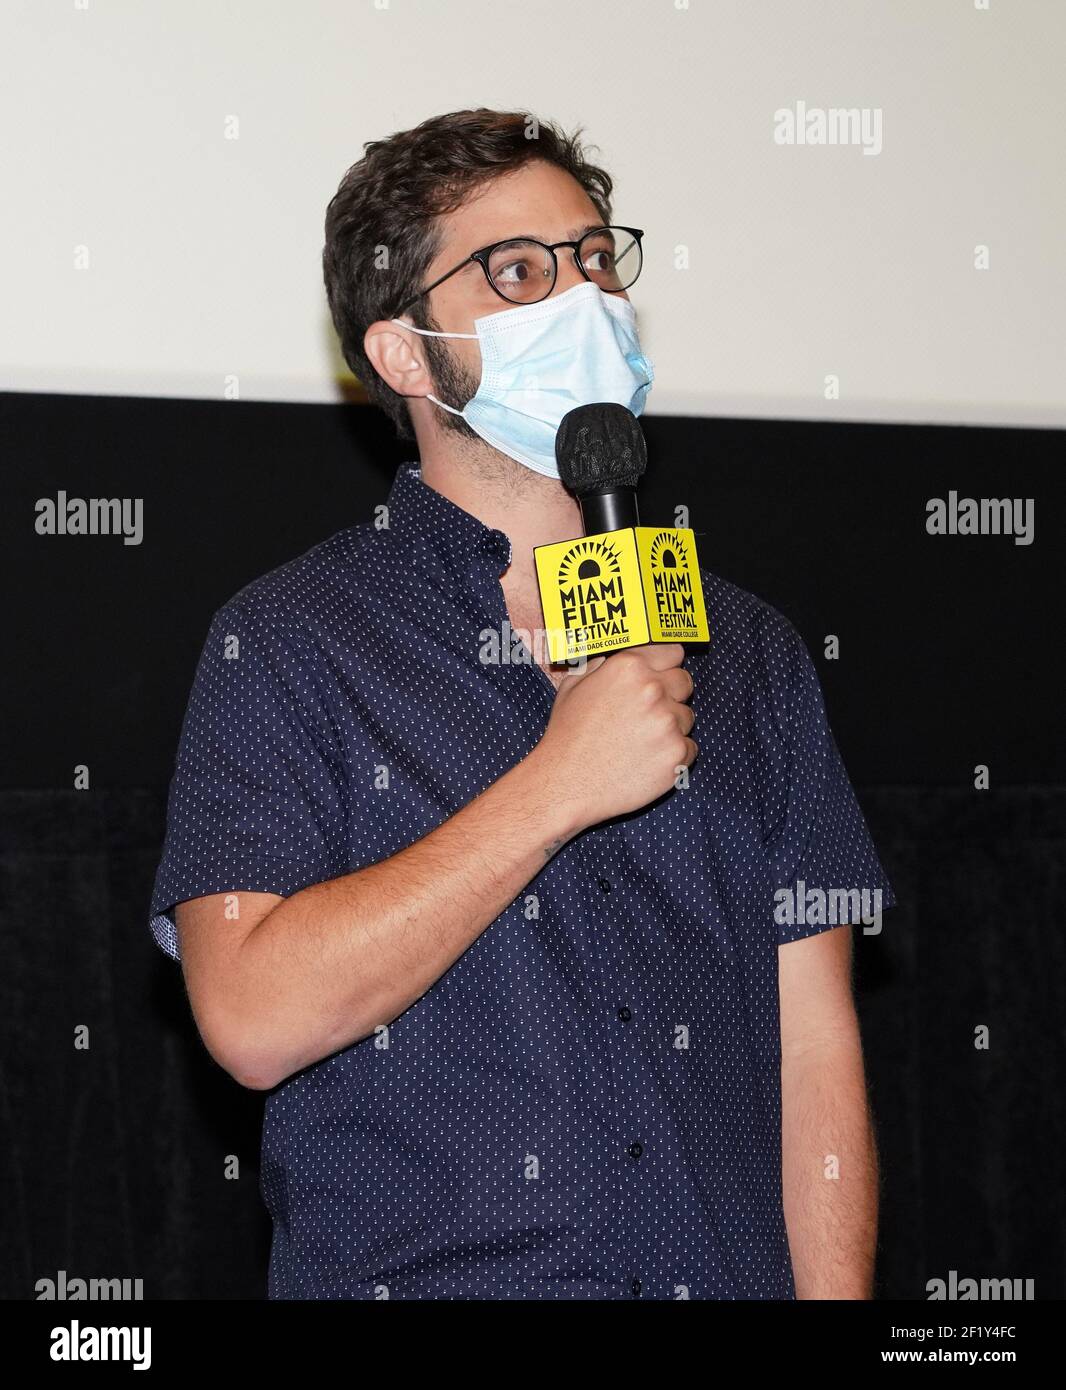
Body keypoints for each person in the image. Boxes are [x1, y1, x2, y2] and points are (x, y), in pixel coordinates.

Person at [148, 108, 895, 1300]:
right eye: (518, 272)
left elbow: (814, 1042)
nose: (584, 300)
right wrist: (554, 786)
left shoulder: (744, 647)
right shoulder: (288, 640)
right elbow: (248, 1017)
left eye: (595, 259)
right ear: (403, 353)